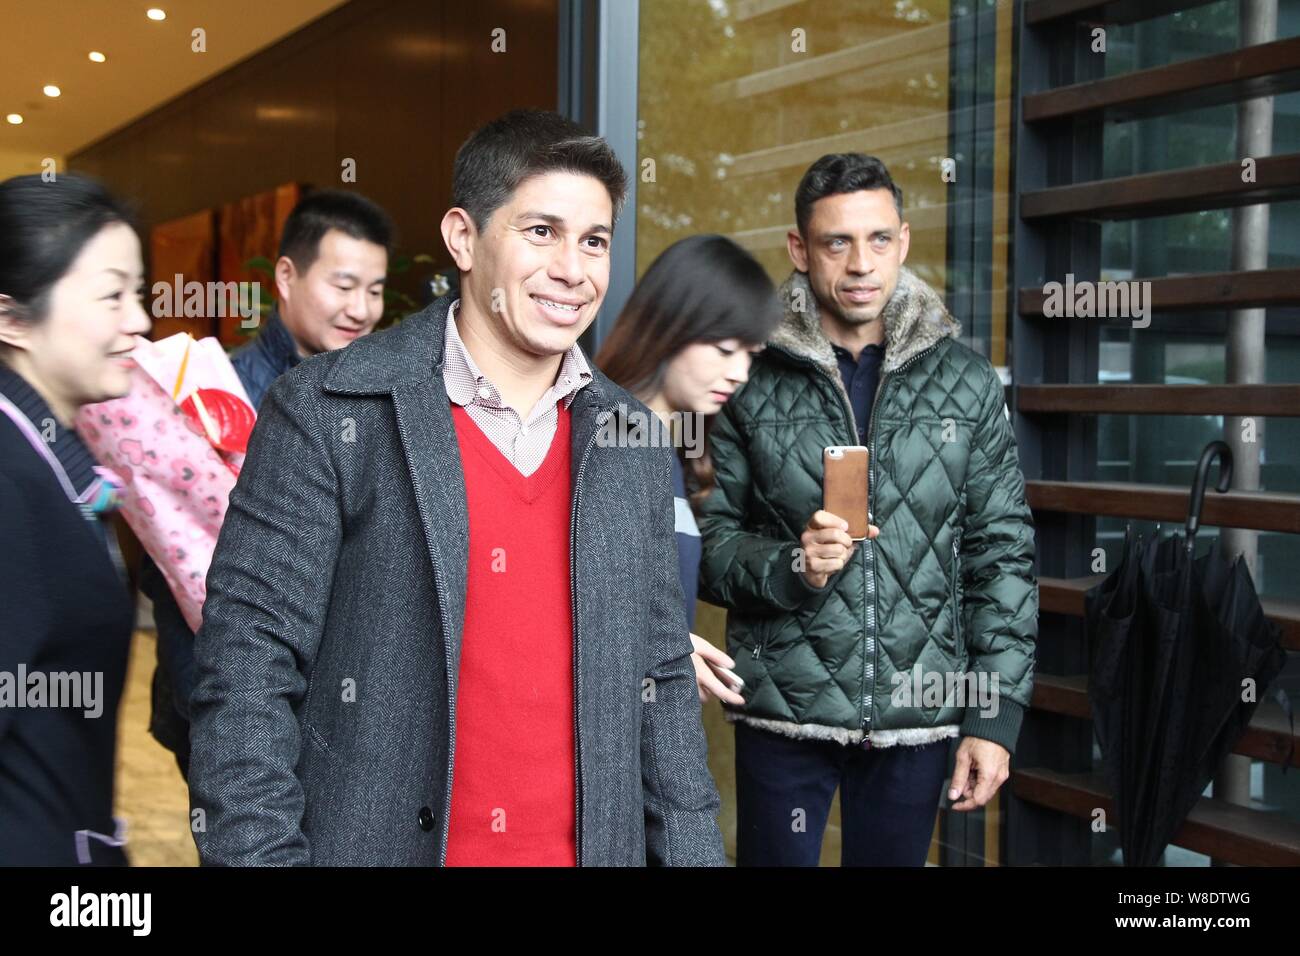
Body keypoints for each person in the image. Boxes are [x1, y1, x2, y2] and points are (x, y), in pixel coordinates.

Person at [187, 109, 725, 866]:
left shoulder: (629, 437)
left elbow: (662, 682)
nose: (574, 268)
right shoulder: (331, 409)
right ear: (464, 238)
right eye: (541, 231)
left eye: (594, 241)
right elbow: (246, 669)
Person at [697, 153, 1038, 866]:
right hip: (783, 713)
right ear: (799, 249)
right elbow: (704, 544)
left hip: (920, 717)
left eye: (879, 239)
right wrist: (793, 564)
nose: (861, 263)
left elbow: (1000, 553)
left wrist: (995, 717)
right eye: (837, 242)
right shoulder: (744, 375)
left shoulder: (965, 381)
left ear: (904, 242)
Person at [144, 190, 394, 780]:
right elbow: (172, 571)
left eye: (376, 290)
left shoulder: (384, 398)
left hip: (345, 713)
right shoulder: (216, 395)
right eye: (343, 284)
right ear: (286, 275)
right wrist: (215, 722)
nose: (361, 309)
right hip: (235, 706)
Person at [0, 173, 152, 864]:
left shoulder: (55, 454)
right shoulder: (10, 476)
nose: (140, 321)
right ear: (12, 318)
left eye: (139, 293)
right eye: (112, 295)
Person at [595, 234, 781, 706]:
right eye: (724, 349)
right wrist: (661, 656)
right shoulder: (612, 439)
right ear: (669, 328)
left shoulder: (666, 444)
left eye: (750, 354)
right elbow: (579, 616)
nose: (740, 372)